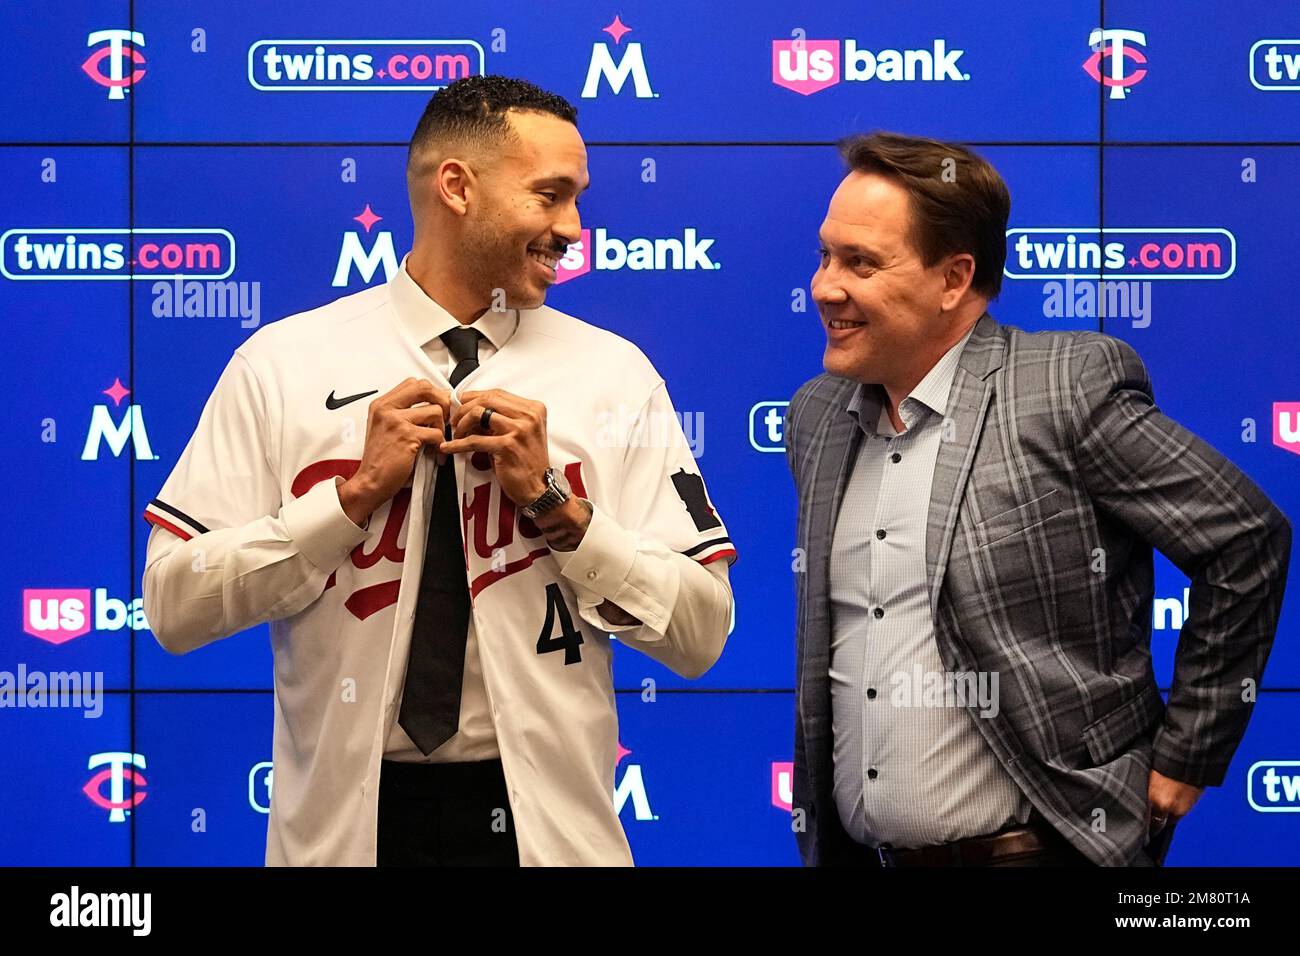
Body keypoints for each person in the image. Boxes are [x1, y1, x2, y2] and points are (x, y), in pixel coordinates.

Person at [141, 75, 736, 867]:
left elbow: (701, 633)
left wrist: (558, 508)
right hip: (344, 836)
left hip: (547, 837)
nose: (574, 228)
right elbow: (174, 605)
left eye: (577, 200)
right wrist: (347, 501)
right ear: (457, 186)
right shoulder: (281, 364)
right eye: (551, 196)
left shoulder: (614, 375)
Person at [785, 131, 1291, 867]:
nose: (826, 286)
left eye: (861, 262)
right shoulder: (817, 417)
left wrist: (1189, 751)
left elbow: (1245, 539)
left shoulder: (1062, 388)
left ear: (954, 279)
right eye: (826, 255)